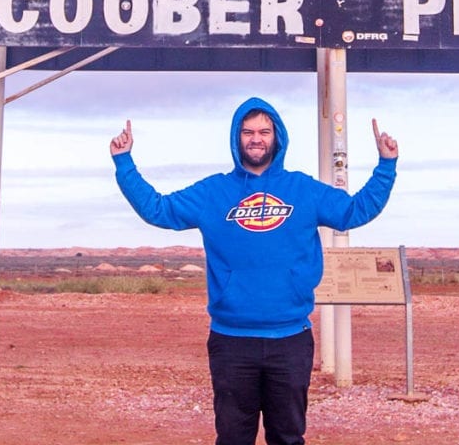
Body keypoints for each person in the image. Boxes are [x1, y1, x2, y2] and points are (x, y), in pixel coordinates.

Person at [109, 97, 398, 445]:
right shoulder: (213, 192)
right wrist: (124, 163)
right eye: (248, 132)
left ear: (277, 137)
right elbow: (158, 209)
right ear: (237, 137)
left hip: (290, 339)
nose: (256, 139)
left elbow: (353, 211)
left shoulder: (303, 190)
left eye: (264, 131)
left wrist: (386, 165)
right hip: (231, 341)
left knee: (288, 437)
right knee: (233, 438)